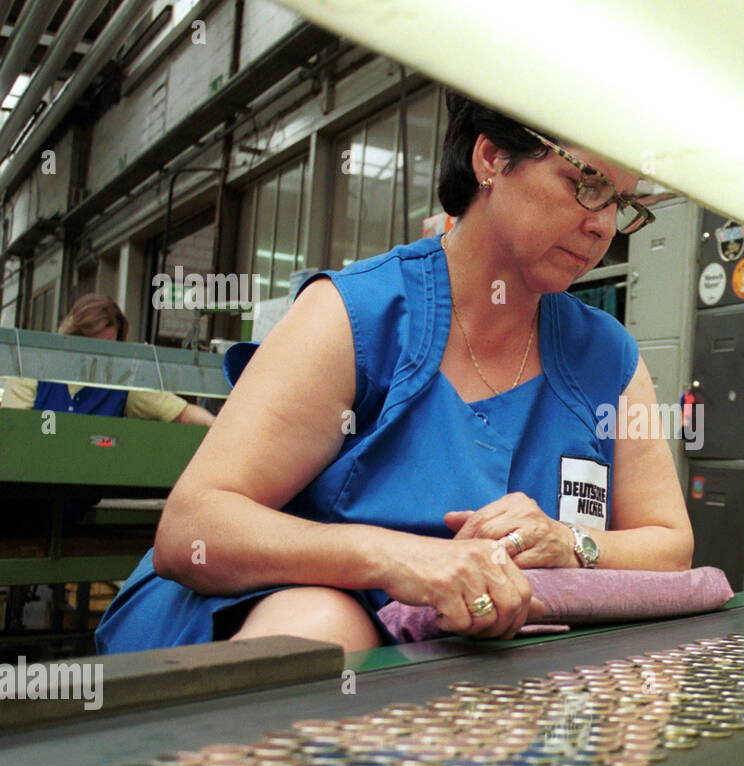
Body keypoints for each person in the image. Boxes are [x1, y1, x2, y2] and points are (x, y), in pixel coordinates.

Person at [94, 92, 693, 653]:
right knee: (323, 629)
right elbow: (193, 528)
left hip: (460, 665)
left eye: (623, 203)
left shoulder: (607, 357)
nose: (604, 225)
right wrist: (399, 559)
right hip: (257, 614)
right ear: (492, 158)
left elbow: (670, 543)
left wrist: (575, 544)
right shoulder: (357, 316)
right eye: (585, 185)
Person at [0, 294, 216, 426]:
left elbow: (179, 411)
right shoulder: (32, 373)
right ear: (74, 338)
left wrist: (216, 425)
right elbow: (11, 432)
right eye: (93, 344)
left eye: (109, 347)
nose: (100, 355)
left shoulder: (122, 384)